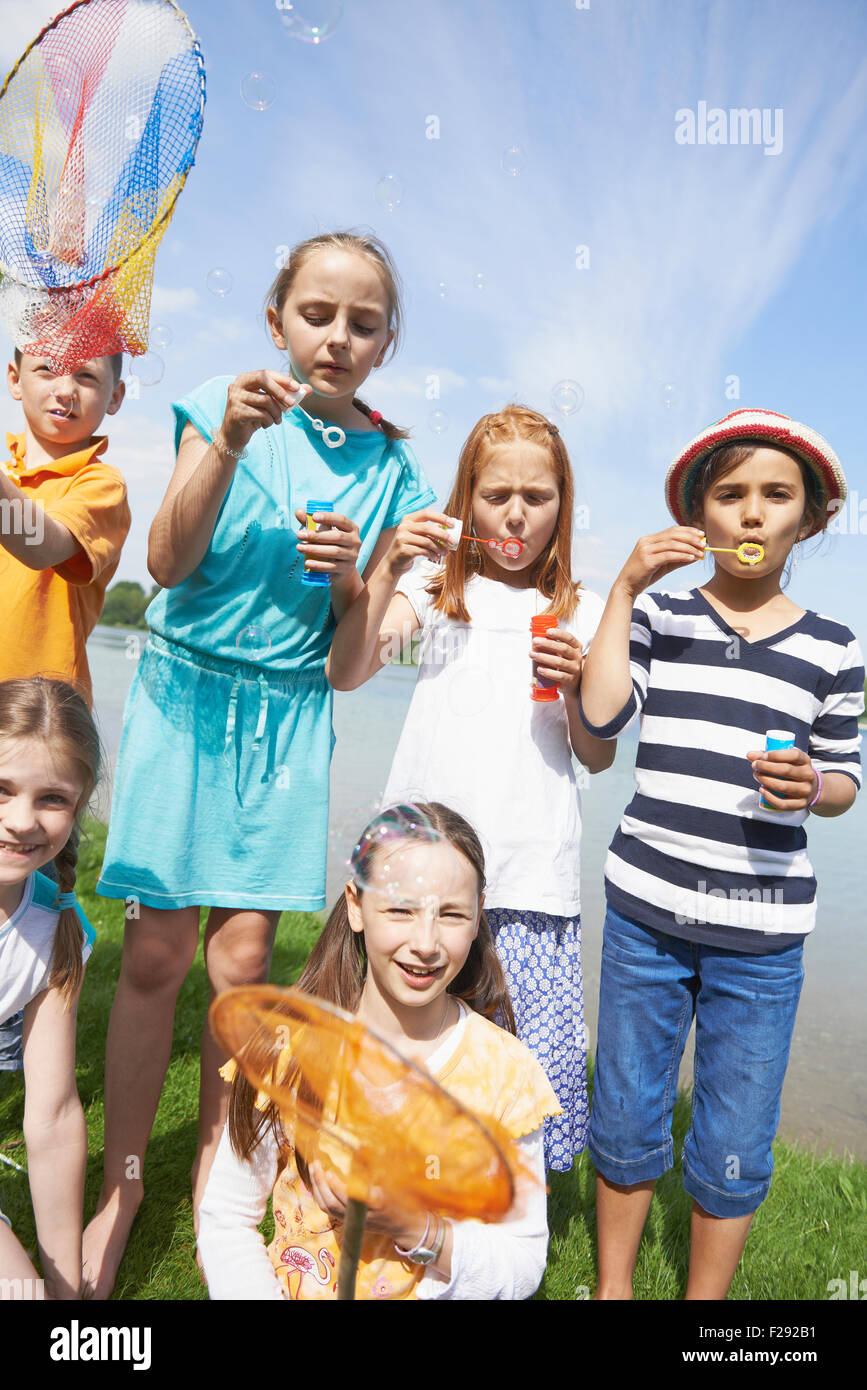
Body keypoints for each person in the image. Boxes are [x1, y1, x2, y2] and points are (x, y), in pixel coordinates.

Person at [83, 231, 438, 1298]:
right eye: (316, 313)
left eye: (362, 322)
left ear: (384, 345)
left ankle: (217, 1179)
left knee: (243, 970)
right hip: (184, 692)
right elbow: (165, 561)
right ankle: (124, 1178)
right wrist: (229, 441)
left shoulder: (393, 468)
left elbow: (345, 666)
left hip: (288, 716)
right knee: (152, 959)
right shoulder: (223, 401)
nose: (337, 336)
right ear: (277, 320)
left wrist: (348, 585)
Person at [578, 408, 864, 1300]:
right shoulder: (662, 612)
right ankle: (614, 1289)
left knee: (735, 1133)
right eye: (728, 494)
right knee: (626, 1111)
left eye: (774, 496)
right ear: (697, 518)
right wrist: (621, 592)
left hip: (763, 939)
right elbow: (596, 721)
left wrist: (808, 786)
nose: (748, 514)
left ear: (809, 521)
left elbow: (846, 783)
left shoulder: (834, 649)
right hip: (644, 917)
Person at [327, 405, 615, 1172]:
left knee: (508, 1079)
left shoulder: (579, 612)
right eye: (495, 497)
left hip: (527, 881)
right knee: (409, 1062)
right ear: (464, 501)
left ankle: (504, 1239)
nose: (516, 514)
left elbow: (596, 755)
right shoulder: (432, 588)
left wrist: (582, 684)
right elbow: (348, 671)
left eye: (537, 496)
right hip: (421, 871)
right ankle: (392, 1221)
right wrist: (385, 566)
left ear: (563, 503)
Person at [197, 801, 561, 1300]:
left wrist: (415, 1227)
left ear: (478, 918)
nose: (426, 943)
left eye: (451, 914)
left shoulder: (505, 1075)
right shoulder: (289, 1049)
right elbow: (226, 1220)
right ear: (355, 905)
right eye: (400, 910)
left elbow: (521, 1263)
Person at [0, 347, 129, 1077]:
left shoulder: (98, 484)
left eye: (88, 375)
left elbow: (43, 541)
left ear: (115, 397)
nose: (66, 387)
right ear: (13, 377)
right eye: (48, 368)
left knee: (33, 905)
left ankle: (24, 1056)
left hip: (43, 750)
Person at [0, 677, 102, 1300]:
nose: (20, 821)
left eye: (51, 798)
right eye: (1, 790)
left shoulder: (54, 925)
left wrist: (62, 1290)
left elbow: (54, 1116)